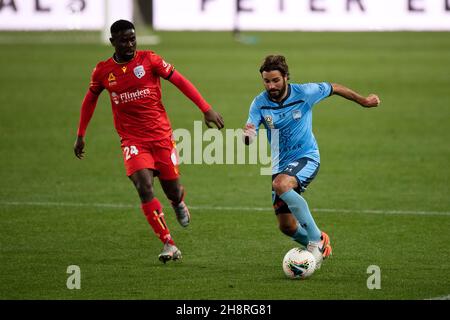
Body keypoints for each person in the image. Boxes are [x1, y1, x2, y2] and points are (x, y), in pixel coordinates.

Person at [74, 20, 224, 263]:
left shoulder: (150, 60)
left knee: (172, 190)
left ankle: (178, 202)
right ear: (113, 42)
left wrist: (206, 108)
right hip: (133, 140)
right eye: (124, 40)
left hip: (161, 137)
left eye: (133, 38)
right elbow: (89, 100)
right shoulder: (103, 72)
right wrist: (81, 134)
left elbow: (180, 81)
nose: (130, 43)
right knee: (143, 186)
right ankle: (168, 242)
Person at [243, 55, 380, 269]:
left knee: (281, 185)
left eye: (276, 80)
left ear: (286, 77)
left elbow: (334, 87)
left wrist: (363, 101)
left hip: (306, 157)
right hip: (280, 165)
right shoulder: (259, 103)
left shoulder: (305, 93)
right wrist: (248, 135)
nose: (271, 85)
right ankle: (318, 244)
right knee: (287, 227)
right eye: (267, 81)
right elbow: (250, 127)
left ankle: (316, 240)